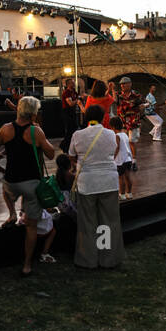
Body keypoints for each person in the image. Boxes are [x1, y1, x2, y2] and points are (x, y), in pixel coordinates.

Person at [0, 96, 58, 274]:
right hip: (31, 184)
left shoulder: (5, 129)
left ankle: (11, 213)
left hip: (11, 182)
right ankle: (27, 264)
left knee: (6, 191)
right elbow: (51, 154)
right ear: (34, 112)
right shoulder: (36, 131)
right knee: (31, 226)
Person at [68, 104, 126, 269]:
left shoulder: (78, 135)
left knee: (87, 223)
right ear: (103, 118)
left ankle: (89, 260)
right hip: (109, 182)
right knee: (108, 222)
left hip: (87, 184)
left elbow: (71, 157)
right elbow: (113, 154)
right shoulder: (111, 135)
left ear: (86, 117)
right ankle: (107, 258)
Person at [111, 117, 135, 200]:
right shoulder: (125, 134)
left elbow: (117, 147)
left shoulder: (116, 135)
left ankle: (122, 194)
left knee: (121, 178)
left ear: (113, 127)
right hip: (128, 158)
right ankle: (129, 193)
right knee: (128, 177)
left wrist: (113, 157)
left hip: (120, 159)